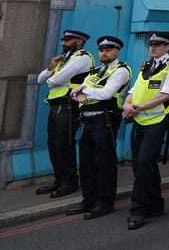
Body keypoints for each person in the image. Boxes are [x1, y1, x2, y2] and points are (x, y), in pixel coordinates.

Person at [121, 32, 169, 230]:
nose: (153, 48)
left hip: (157, 121)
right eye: (151, 44)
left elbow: (166, 94)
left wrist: (139, 107)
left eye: (158, 45)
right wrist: (127, 105)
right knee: (141, 165)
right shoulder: (146, 66)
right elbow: (133, 91)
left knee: (145, 162)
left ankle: (138, 210)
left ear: (168, 47)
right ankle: (155, 203)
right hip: (139, 120)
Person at [65, 35, 130, 220]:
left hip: (105, 120)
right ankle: (89, 199)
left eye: (108, 50)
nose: (104, 53)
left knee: (104, 163)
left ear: (117, 51)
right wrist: (79, 93)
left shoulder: (121, 70)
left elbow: (107, 93)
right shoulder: (95, 72)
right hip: (88, 121)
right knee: (86, 163)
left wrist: (84, 92)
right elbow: (73, 93)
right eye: (101, 50)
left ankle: (105, 202)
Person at [35, 28, 94, 198]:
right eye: (63, 40)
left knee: (64, 144)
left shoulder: (82, 58)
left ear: (79, 42)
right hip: (56, 106)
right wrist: (51, 67)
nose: (63, 43)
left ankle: (69, 181)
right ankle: (59, 179)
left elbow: (55, 80)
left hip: (69, 106)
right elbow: (41, 79)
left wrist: (52, 76)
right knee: (53, 144)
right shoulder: (64, 59)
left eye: (68, 40)